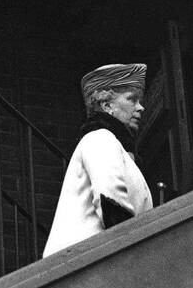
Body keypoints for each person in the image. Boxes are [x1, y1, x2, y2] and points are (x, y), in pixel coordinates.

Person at [43, 63, 153, 256]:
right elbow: (111, 202)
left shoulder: (116, 147)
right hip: (85, 265)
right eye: (132, 100)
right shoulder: (100, 138)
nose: (141, 107)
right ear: (107, 105)